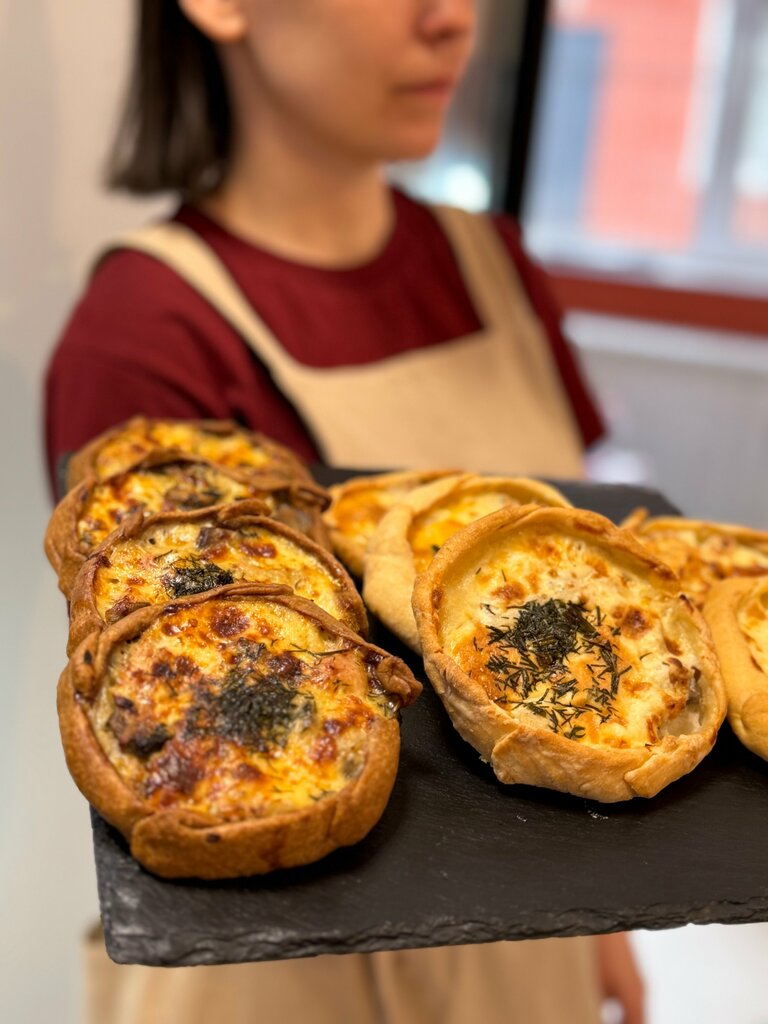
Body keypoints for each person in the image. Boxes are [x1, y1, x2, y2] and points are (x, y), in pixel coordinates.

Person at [45, 2, 645, 1023]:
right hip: (276, 984)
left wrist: (602, 923)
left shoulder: (496, 263)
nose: (454, 18)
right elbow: (155, 693)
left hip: (523, 946)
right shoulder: (146, 331)